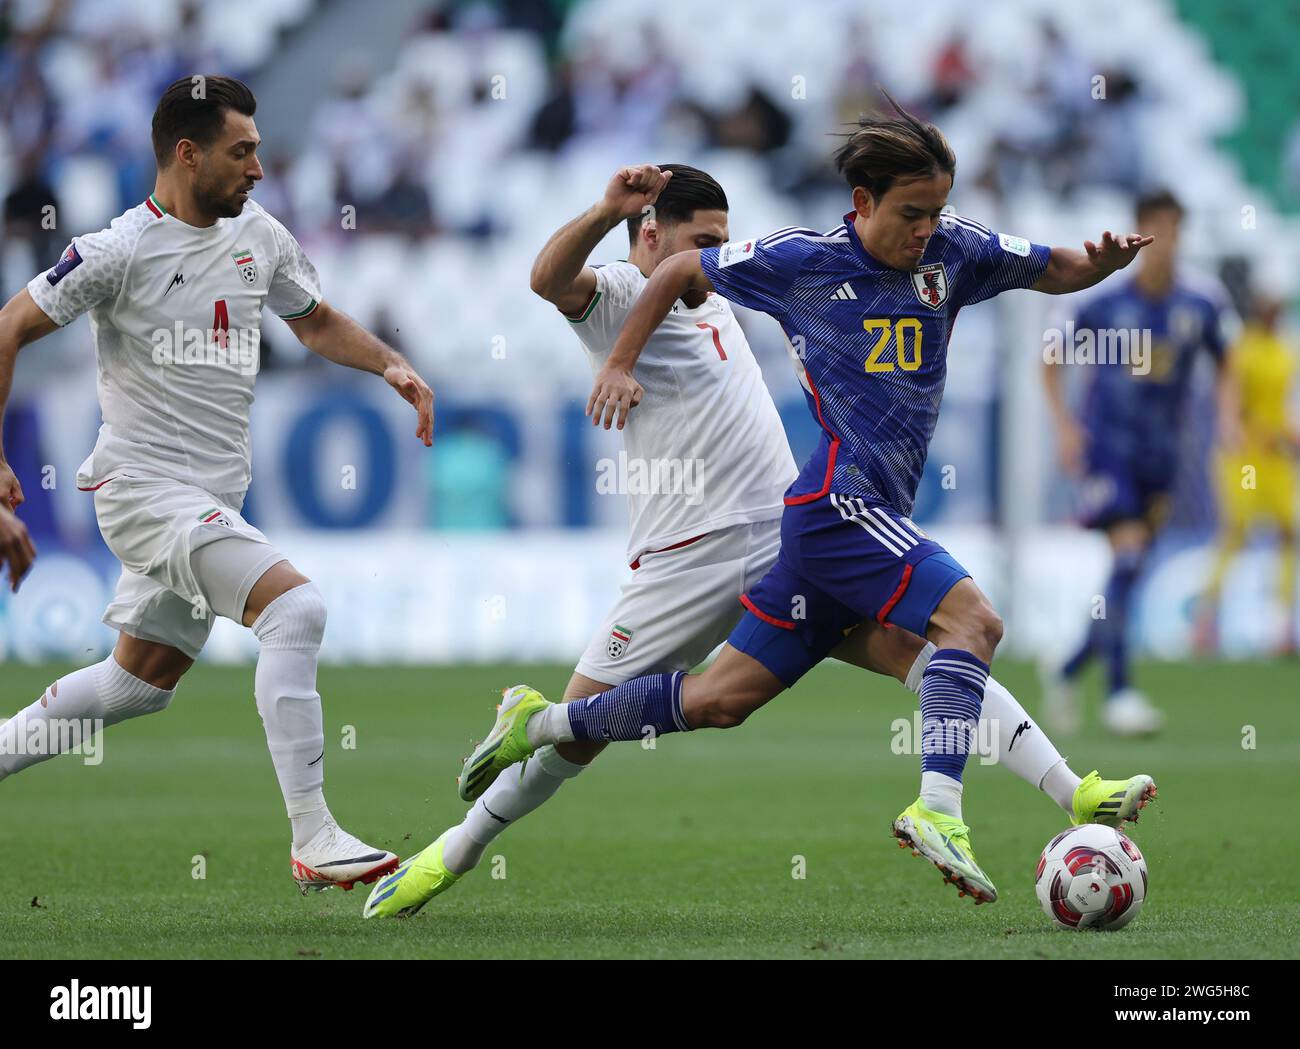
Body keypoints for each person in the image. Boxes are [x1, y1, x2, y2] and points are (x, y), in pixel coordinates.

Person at [371, 96, 1156, 916]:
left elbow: (1043, 267)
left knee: (888, 662)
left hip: (783, 532)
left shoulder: (783, 288)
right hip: (697, 552)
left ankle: (1069, 789)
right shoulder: (617, 295)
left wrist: (1092, 263)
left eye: (722, 237)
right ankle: (458, 843)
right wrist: (612, 270)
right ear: (649, 235)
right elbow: (552, 280)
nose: (716, 256)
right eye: (702, 241)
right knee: (588, 733)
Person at [0, 75, 436, 895]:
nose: (259, 169)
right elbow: (7, 327)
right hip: (143, 490)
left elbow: (312, 320)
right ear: (188, 153)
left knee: (136, 684)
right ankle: (314, 836)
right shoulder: (117, 250)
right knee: (296, 608)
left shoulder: (259, 237)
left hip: (205, 499)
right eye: (243, 152)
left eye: (260, 152)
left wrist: (389, 361)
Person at [1042, 190, 1237, 734]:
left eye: (1174, 229)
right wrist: (1065, 427)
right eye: (1156, 229)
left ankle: (1070, 663)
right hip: (1109, 450)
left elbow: (1228, 363)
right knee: (1128, 559)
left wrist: (1228, 420)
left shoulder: (1200, 303)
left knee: (1133, 567)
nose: (1166, 242)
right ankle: (1119, 692)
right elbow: (1051, 355)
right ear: (1140, 232)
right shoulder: (1105, 301)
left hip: (1163, 455)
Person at [1198, 292, 1298, 655]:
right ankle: (1205, 620)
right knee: (1235, 534)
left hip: (1276, 459)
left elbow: (1282, 407)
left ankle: (1284, 626)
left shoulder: (1286, 351)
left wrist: (1288, 432)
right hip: (1244, 458)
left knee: (1289, 534)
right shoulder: (1242, 350)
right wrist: (1233, 430)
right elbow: (1231, 402)